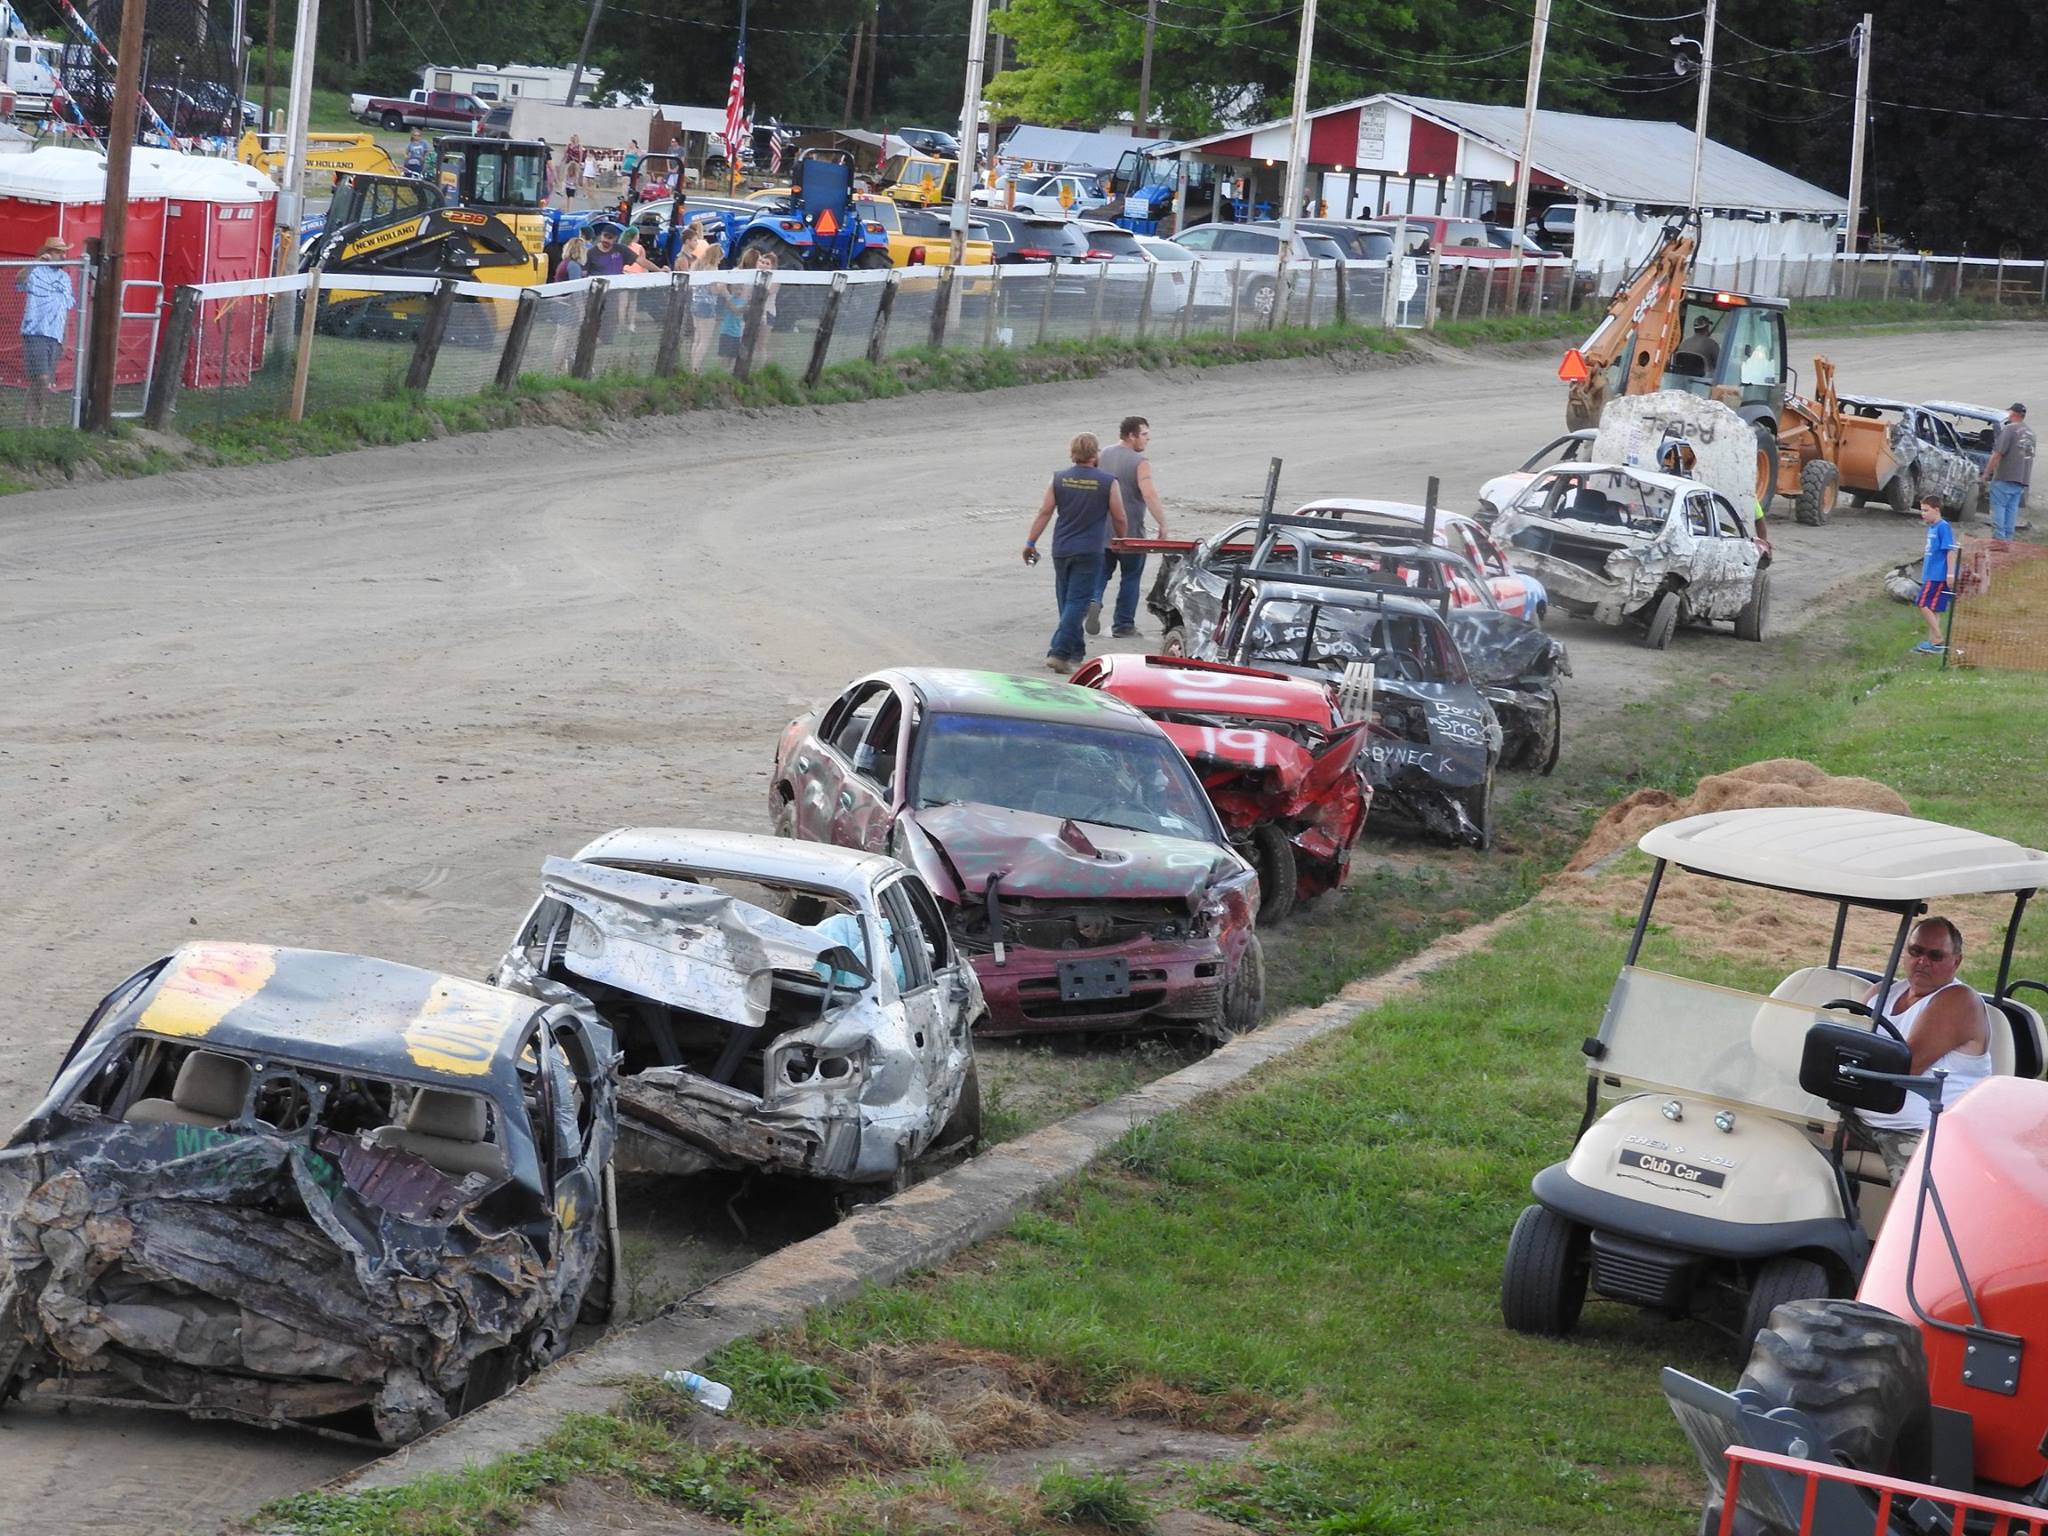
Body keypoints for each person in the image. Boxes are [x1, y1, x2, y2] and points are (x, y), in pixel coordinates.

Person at [1850, 917, 1992, 1182]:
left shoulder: (1958, 1000)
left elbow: (1903, 1067)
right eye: (1916, 951)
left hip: (1920, 1131)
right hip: (1861, 1121)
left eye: (1935, 955)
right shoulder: (1880, 993)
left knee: (1916, 1204)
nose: (1923, 961)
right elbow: (1846, 1053)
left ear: (1956, 961)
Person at [1022, 432, 1128, 671]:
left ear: (1073, 453)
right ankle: (1059, 652)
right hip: (1090, 550)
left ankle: (1076, 651)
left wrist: (1030, 541)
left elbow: (1045, 511)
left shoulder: (1059, 479)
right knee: (1077, 603)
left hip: (1061, 548)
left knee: (1066, 601)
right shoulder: (1108, 481)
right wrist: (1121, 539)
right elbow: (1119, 515)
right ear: (1095, 453)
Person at [1090, 415, 1168, 638]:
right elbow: (1149, 494)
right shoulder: (1139, 462)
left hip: (1102, 529)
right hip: (1131, 532)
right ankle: (1123, 625)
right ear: (1131, 435)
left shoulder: (1102, 455)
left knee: (1101, 573)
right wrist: (1162, 523)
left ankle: (1093, 600)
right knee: (1131, 578)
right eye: (1144, 435)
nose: (1147, 440)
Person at [16, 234, 75, 427]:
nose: (63, 256)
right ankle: (34, 418)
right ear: (49, 253)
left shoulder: (66, 278)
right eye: (59, 252)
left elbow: (66, 308)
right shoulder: (36, 272)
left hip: (55, 334)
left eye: (64, 253)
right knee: (41, 378)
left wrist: (65, 337)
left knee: (43, 382)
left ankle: (34, 419)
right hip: (35, 331)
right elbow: (19, 280)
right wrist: (35, 262)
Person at [1911, 494, 1958, 654]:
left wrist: (1950, 574)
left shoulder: (1943, 527)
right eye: (1921, 510)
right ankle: (1934, 644)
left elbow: (1950, 551)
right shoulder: (1932, 527)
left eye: (1926, 510)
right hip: (1929, 573)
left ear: (1936, 510)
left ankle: (1938, 638)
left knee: (1922, 603)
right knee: (1934, 608)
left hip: (1937, 575)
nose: (1922, 514)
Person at [1980, 402, 2033, 542]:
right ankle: (2008, 541)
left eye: (2009, 413)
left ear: (2013, 414)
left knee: (1999, 508)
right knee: (2011, 510)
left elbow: (1998, 454)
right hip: (2021, 480)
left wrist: (1986, 473)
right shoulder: (2031, 434)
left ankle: (1999, 540)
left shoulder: (2010, 429)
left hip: (2005, 477)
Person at [563, 134, 584, 203]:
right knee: (567, 175)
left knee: (575, 176)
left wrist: (580, 163)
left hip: (576, 162)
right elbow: (565, 153)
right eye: (573, 138)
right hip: (569, 162)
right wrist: (563, 160)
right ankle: (566, 187)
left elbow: (580, 155)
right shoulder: (569, 145)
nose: (574, 140)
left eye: (575, 138)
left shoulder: (579, 146)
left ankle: (575, 189)